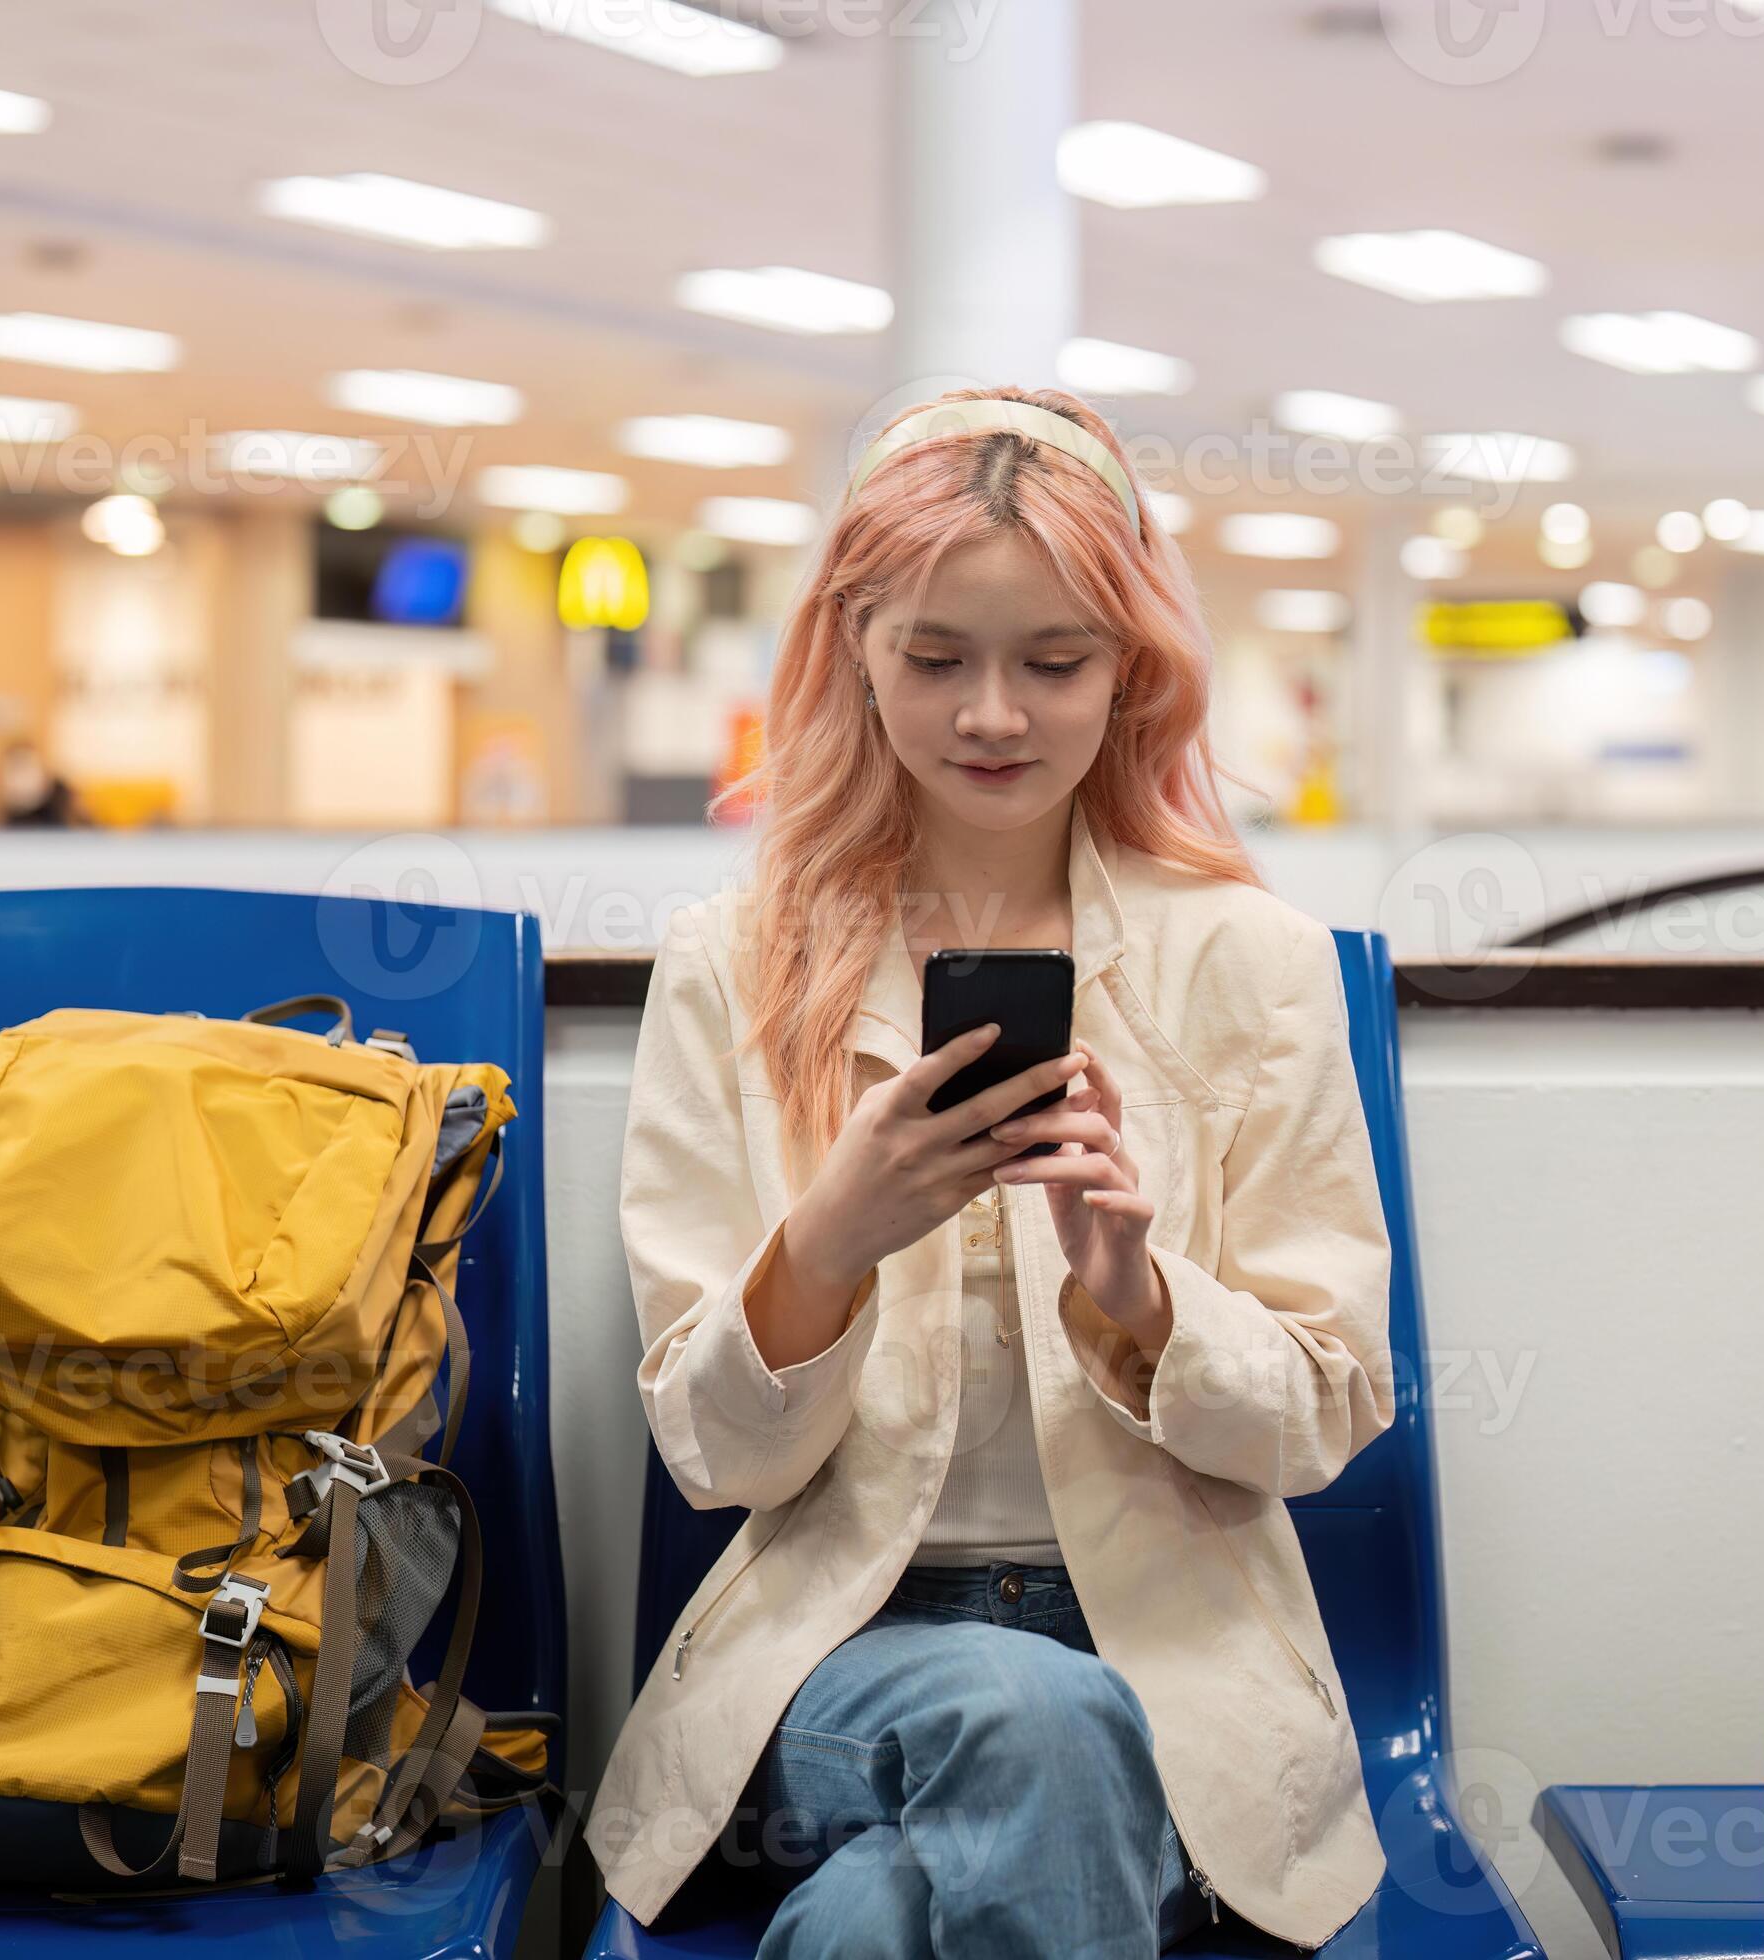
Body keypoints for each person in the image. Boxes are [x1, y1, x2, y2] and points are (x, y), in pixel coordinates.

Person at [587, 387, 1398, 1958]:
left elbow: (1330, 1410)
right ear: (857, 656)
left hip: (1170, 1653)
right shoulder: (733, 969)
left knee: (874, 1927)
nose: (994, 717)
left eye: (1055, 661)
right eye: (938, 659)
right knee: (1027, 1719)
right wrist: (827, 1245)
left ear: (1132, 668)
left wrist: (1142, 1301)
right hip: (840, 1652)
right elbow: (712, 1456)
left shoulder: (1252, 966)